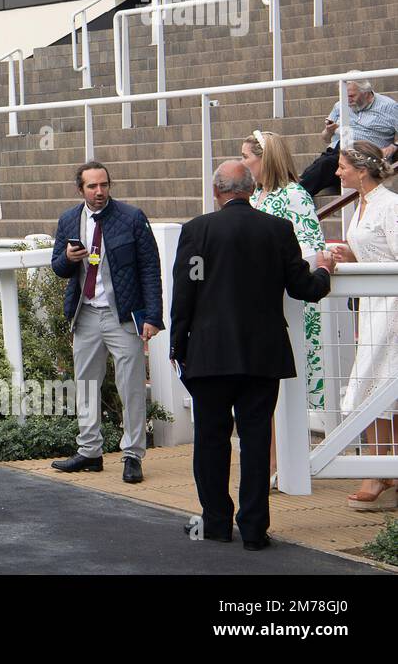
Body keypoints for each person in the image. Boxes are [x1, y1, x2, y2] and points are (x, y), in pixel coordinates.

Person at [170, 161, 333, 550]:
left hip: (209, 354)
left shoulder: (198, 232)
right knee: (257, 441)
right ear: (249, 189)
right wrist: (324, 271)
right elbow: (303, 288)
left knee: (211, 441)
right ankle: (255, 530)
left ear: (217, 192)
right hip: (262, 354)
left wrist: (178, 346)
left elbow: (186, 292)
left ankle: (216, 523)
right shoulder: (277, 230)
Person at [49, 162, 163, 483]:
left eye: (104, 185)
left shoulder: (131, 218)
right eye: (92, 187)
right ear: (80, 189)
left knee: (131, 388)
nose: (99, 192)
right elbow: (57, 266)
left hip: (122, 314)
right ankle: (89, 451)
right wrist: (68, 260)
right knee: (86, 384)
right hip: (85, 314)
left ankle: (132, 454)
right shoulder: (69, 219)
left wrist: (152, 316)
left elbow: (150, 269)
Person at [324, 142, 398, 510]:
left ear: (362, 170)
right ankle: (386, 469)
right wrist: (350, 256)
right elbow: (375, 252)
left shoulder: (390, 204)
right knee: (378, 382)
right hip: (370, 306)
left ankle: (379, 470)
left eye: (342, 167)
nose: (338, 173)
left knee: (375, 382)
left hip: (391, 307)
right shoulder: (362, 204)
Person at [241, 130, 327, 415]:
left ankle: (282, 457)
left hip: (288, 299)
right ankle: (270, 458)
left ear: (265, 160)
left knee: (287, 385)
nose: (242, 164)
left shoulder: (295, 194)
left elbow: (311, 247)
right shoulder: (254, 194)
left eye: (246, 157)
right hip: (256, 300)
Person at [299, 79, 398, 196]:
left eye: (351, 96)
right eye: (344, 96)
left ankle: (293, 196)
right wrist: (328, 131)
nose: (347, 100)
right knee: (324, 163)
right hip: (338, 150)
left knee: (325, 165)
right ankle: (294, 194)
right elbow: (325, 138)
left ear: (366, 92)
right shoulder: (339, 106)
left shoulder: (389, 107)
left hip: (366, 155)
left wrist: (393, 146)